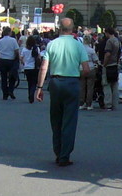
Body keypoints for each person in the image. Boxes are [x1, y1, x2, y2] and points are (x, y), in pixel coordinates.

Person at [36, 17, 90, 167]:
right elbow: (86, 69)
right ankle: (65, 156)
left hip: (55, 83)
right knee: (69, 121)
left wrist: (39, 88)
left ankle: (58, 152)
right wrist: (75, 74)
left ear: (59, 28)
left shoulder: (52, 44)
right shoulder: (78, 46)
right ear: (73, 29)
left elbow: (43, 67)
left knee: (56, 120)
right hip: (72, 83)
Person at [0, 26, 20, 100]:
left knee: (3, 78)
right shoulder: (13, 40)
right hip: (11, 60)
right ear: (9, 32)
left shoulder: (0, 41)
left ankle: (5, 94)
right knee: (12, 77)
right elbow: (16, 51)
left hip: (2, 60)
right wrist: (17, 58)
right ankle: (10, 90)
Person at [101, 27, 121, 110]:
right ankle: (115, 103)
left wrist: (104, 64)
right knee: (115, 85)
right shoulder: (117, 41)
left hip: (109, 65)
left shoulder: (109, 41)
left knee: (106, 85)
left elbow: (108, 54)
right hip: (115, 64)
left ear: (107, 33)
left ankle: (108, 104)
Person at [79, 34, 99, 110]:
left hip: (81, 68)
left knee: (82, 86)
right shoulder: (91, 50)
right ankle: (89, 104)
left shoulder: (79, 49)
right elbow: (96, 60)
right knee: (90, 87)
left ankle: (81, 103)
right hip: (90, 68)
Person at [21, 35, 40, 103]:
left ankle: (29, 95)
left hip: (27, 68)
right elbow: (39, 58)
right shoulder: (36, 49)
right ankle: (32, 94)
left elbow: (21, 58)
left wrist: (24, 64)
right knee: (34, 83)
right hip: (34, 68)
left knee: (29, 82)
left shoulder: (24, 49)